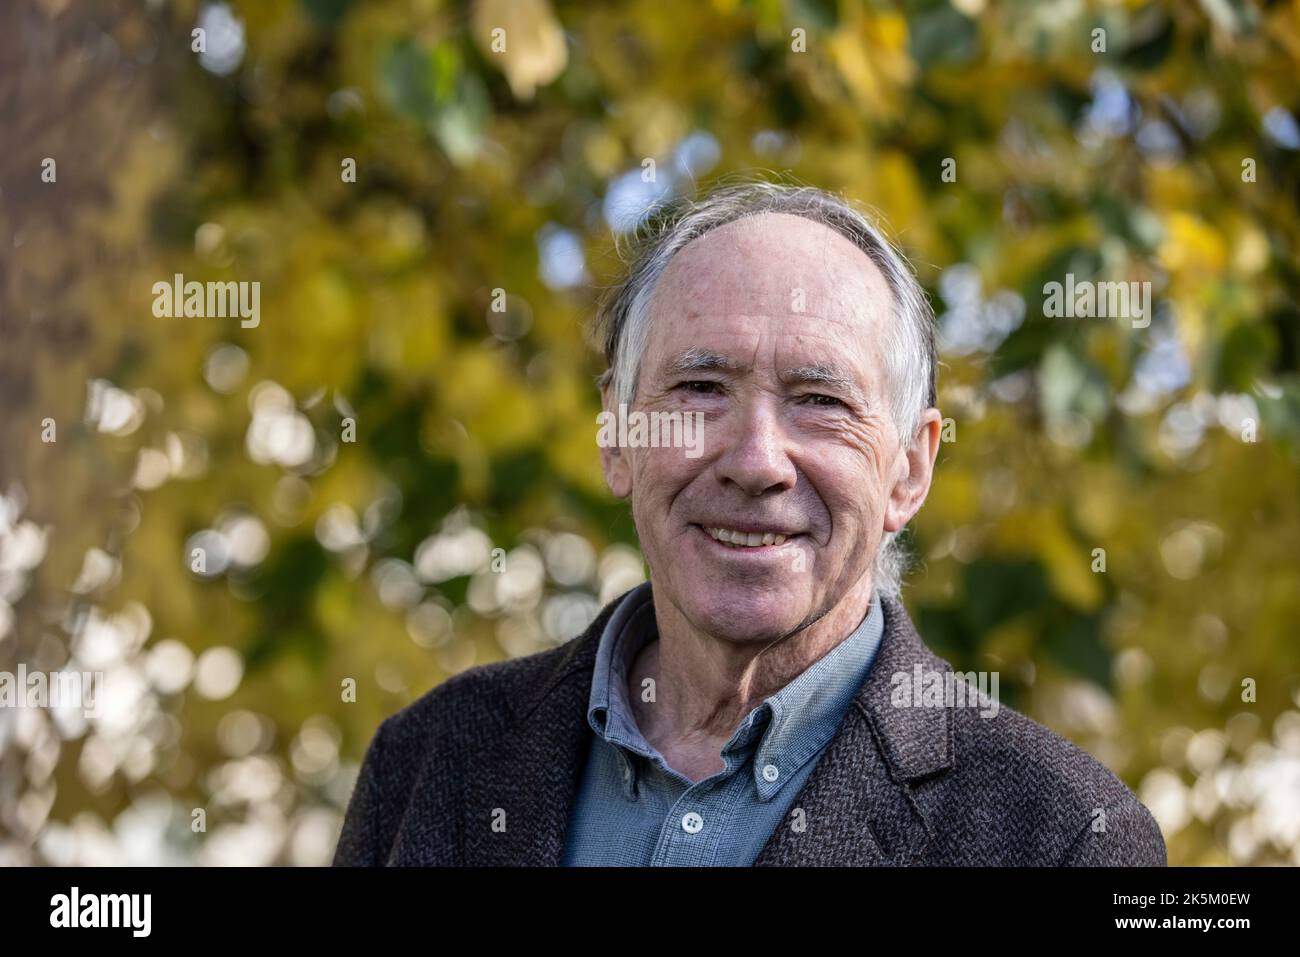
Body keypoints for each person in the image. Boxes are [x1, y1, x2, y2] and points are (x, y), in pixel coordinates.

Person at [333, 181, 1166, 867]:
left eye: (820, 402)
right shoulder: (428, 760)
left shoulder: (1065, 837)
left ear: (911, 467)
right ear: (618, 436)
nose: (757, 459)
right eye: (701, 388)